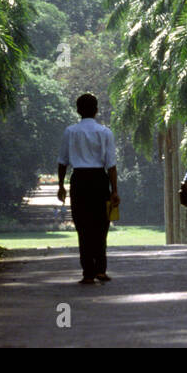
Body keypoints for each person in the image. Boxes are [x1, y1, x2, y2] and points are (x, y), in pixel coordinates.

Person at [56, 93, 120, 283]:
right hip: (99, 180)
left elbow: (62, 162)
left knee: (83, 226)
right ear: (96, 110)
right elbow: (111, 165)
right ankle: (101, 269)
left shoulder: (70, 132)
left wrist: (61, 186)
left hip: (79, 180)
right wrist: (114, 190)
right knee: (101, 225)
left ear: (78, 110)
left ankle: (88, 271)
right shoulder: (105, 132)